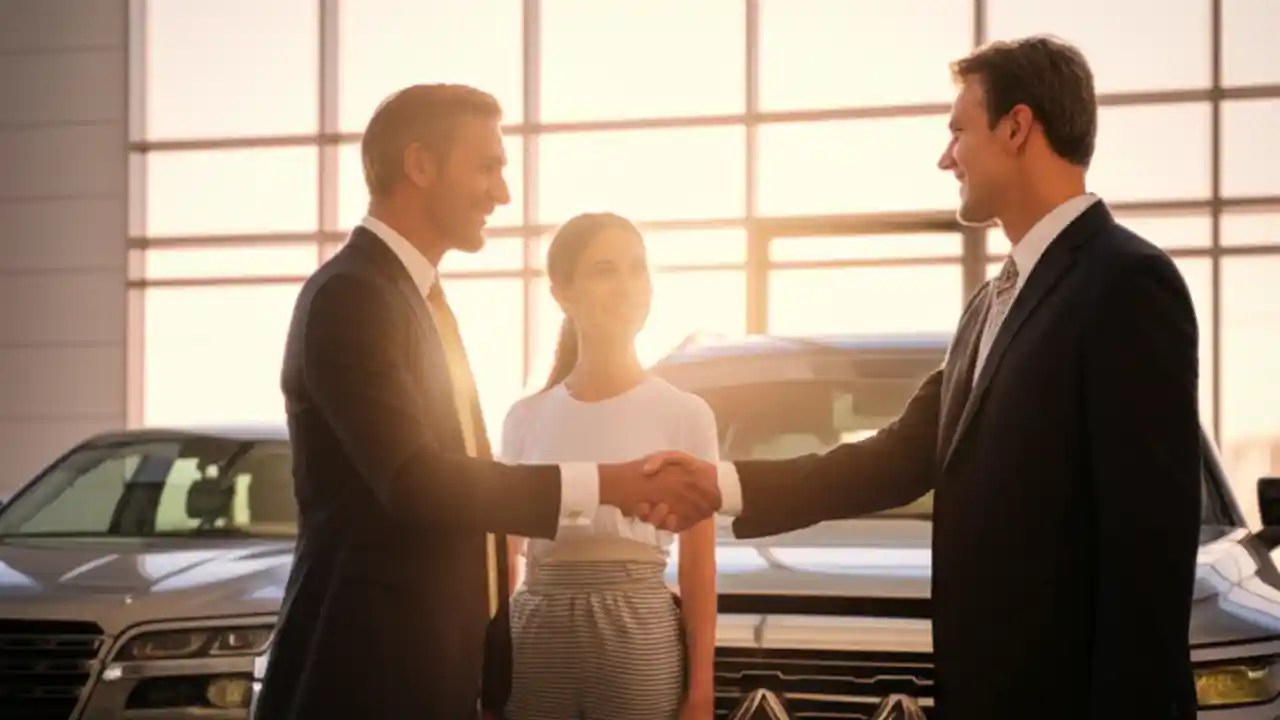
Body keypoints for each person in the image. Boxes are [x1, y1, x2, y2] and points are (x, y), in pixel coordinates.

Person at [643, 36, 1202, 720]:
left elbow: (1148, 553)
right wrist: (722, 484)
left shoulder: (1127, 283)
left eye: (959, 131)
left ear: (1018, 127)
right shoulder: (991, 305)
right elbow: (899, 456)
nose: (946, 157)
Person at [258, 84, 722, 720]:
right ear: (420, 166)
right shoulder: (356, 297)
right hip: (371, 672)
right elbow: (415, 481)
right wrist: (609, 484)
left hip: (423, 669)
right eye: (488, 167)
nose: (501, 193)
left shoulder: (411, 300)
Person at [494, 213, 718, 720]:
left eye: (638, 269)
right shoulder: (524, 418)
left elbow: (700, 567)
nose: (627, 286)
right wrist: (489, 676)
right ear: (562, 293)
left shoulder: (685, 413)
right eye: (604, 270)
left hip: (640, 635)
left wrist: (700, 691)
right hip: (536, 639)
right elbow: (504, 563)